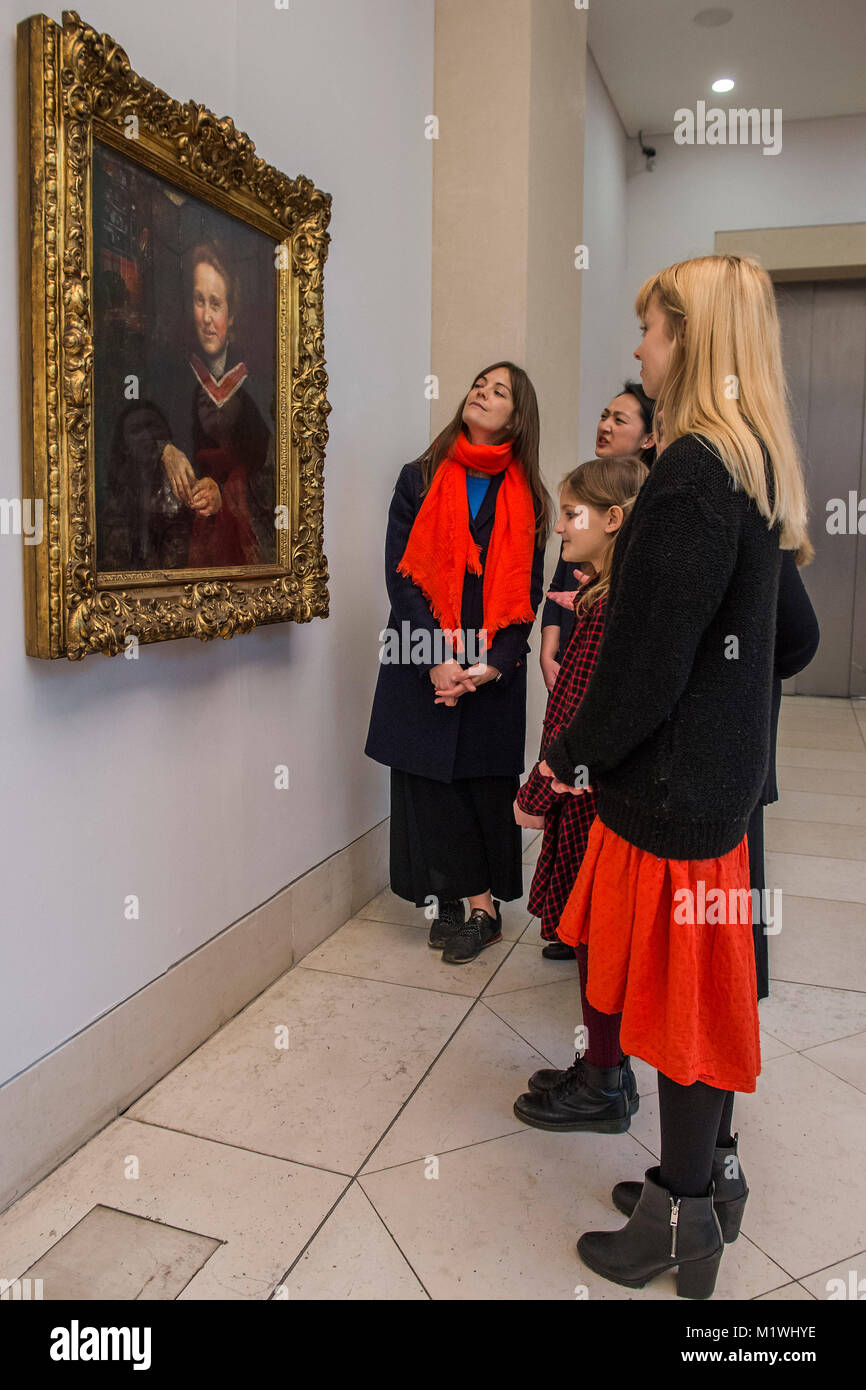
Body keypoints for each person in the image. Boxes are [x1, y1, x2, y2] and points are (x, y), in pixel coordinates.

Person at [537, 255, 811, 1299]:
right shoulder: (753, 467)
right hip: (721, 788)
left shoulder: (690, 473)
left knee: (682, 1014)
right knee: (701, 998)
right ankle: (698, 1187)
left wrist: (564, 755)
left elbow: (641, 665)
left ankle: (680, 1222)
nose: (637, 349)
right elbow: (794, 633)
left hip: (671, 797)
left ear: (686, 342)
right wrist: (728, 697)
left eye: (647, 330)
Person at [365, 362, 550, 964]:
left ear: (516, 419)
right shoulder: (419, 479)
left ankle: (482, 909)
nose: (481, 393)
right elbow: (403, 578)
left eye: (498, 392)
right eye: (477, 384)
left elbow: (527, 594)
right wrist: (438, 661)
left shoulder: (532, 498)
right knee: (427, 783)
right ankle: (457, 899)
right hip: (422, 654)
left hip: (489, 670)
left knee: (478, 787)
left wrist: (493, 666)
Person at [513, 456, 648, 1136]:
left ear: (614, 519)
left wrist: (542, 781)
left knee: (596, 937)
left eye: (573, 514)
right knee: (590, 935)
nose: (561, 526)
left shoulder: (613, 606)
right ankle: (602, 1067)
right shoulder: (598, 595)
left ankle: (603, 1080)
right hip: (583, 794)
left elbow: (582, 717)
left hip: (588, 800)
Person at [154, 241, 275, 568]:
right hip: (178, 546)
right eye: (199, 301)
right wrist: (164, 450)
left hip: (233, 545)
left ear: (231, 315)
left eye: (216, 304)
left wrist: (225, 492)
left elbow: (267, 471)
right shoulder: (171, 376)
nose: (206, 317)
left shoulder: (256, 389)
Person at [539, 383, 655, 694]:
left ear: (649, 438)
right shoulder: (584, 483)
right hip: (571, 646)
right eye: (604, 416)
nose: (605, 426)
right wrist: (549, 647)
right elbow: (559, 584)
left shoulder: (652, 504)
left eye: (619, 420)